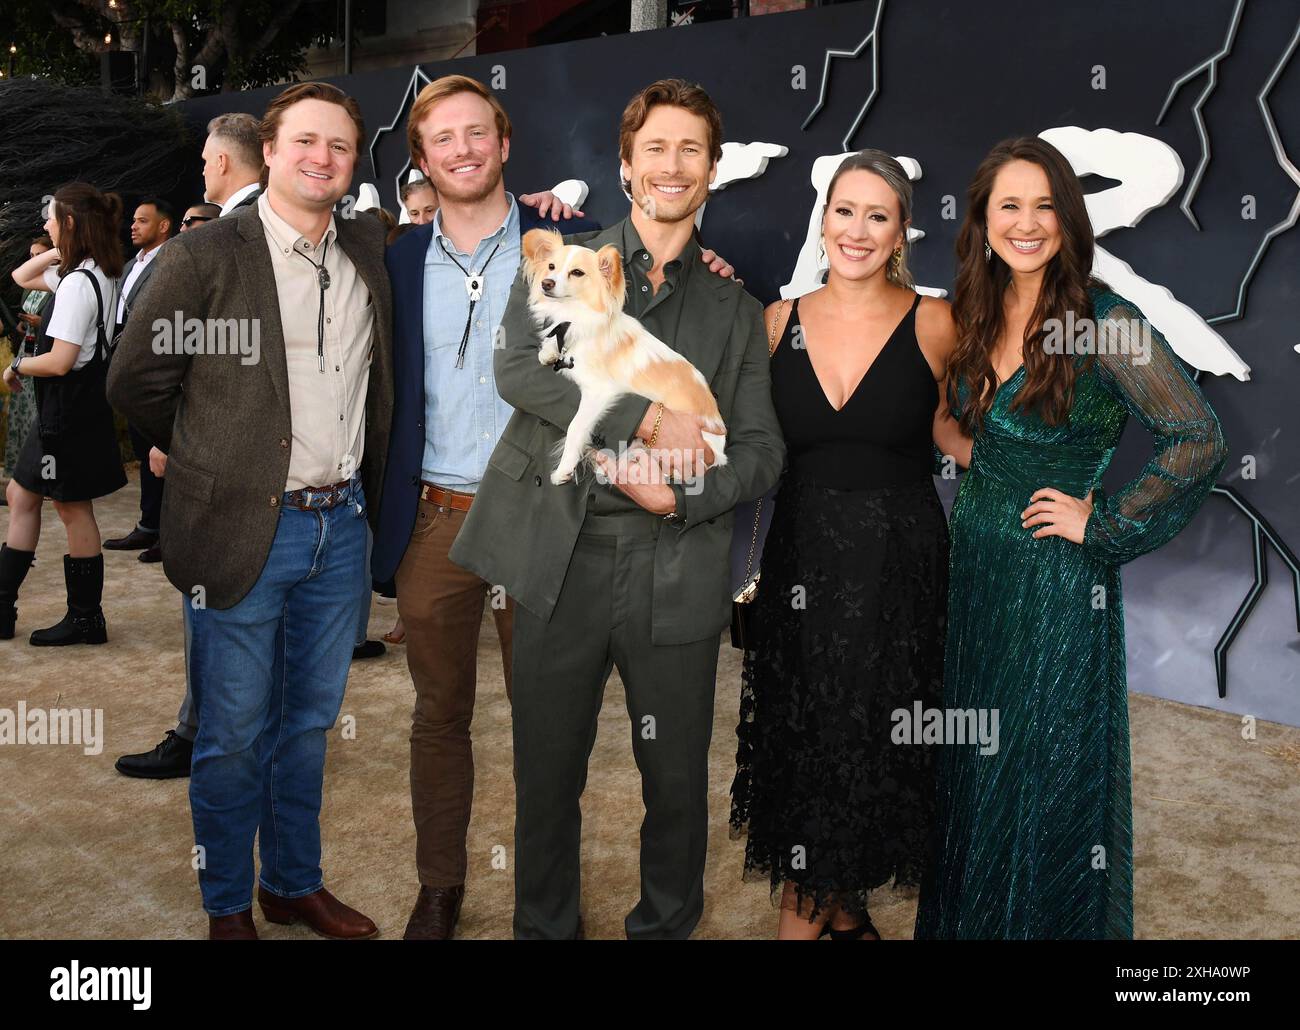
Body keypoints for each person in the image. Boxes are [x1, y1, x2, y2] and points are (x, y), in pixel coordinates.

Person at [448, 77, 785, 940]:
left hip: (676, 564)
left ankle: (666, 926)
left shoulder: (737, 309)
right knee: (546, 772)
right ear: (627, 166)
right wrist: (645, 414)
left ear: (713, 169)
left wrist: (681, 492)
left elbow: (760, 451)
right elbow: (521, 368)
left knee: (674, 779)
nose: (673, 166)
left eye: (692, 150)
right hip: (557, 559)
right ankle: (544, 928)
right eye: (656, 149)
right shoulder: (565, 261)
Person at [913, 137, 1227, 940]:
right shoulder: (976, 313)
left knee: (1046, 766)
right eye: (1007, 205)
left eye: (1044, 205)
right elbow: (953, 426)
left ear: (1068, 219)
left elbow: (1196, 437)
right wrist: (982, 461)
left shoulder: (1101, 320)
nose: (1026, 222)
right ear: (981, 220)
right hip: (977, 565)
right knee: (982, 764)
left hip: (1058, 578)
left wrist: (1108, 522)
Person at [109, 82, 394, 940]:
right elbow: (135, 381)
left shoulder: (367, 251)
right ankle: (227, 903)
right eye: (305, 140)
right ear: (268, 150)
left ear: (353, 166)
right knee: (232, 736)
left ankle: (292, 884)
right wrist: (202, 452)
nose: (322, 158)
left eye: (340, 146)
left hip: (339, 530)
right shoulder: (207, 254)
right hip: (239, 529)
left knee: (306, 726)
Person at [372, 73, 601, 940]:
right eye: (442, 140)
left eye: (478, 133)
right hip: (435, 517)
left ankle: (546, 903)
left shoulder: (575, 244)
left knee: (549, 722)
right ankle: (440, 888)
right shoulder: (393, 259)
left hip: (544, 514)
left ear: (504, 145)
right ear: (422, 162)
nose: (462, 150)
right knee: (439, 717)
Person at [729, 150, 956, 939]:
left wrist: (1052, 475)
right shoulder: (773, 322)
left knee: (877, 729)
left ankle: (824, 908)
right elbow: (738, 438)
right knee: (809, 729)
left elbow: (956, 431)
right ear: (823, 220)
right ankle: (835, 908)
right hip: (803, 560)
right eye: (844, 210)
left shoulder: (935, 320)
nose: (856, 230)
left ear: (900, 233)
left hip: (901, 563)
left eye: (877, 215)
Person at [2, 184, 127, 644]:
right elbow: (21, 276)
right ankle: (20, 607)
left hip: (66, 412)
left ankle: (84, 618)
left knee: (69, 507)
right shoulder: (93, 273)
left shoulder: (78, 284)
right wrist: (58, 252)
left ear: (70, 223)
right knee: (25, 495)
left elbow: (59, 360)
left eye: (52, 218)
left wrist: (17, 365)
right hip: (77, 408)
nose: (45, 225)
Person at [104, 197, 176, 563]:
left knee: (163, 453)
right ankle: (149, 525)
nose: (132, 226)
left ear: (164, 226)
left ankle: (169, 534)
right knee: (144, 453)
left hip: (157, 372)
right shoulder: (132, 264)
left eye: (142, 221)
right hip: (131, 370)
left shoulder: (173, 261)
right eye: (132, 220)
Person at [4, 236, 53, 487]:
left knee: (39, 409)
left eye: (39, 255)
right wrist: (25, 324)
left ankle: (44, 475)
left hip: (46, 351)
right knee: (21, 408)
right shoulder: (29, 284)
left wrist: (41, 323)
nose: (34, 260)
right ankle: (21, 470)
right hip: (27, 347)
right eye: (32, 256)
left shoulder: (58, 282)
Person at [202, 113, 263, 215]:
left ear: (221, 162)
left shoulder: (233, 224)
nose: (204, 172)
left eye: (206, 161)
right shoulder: (286, 208)